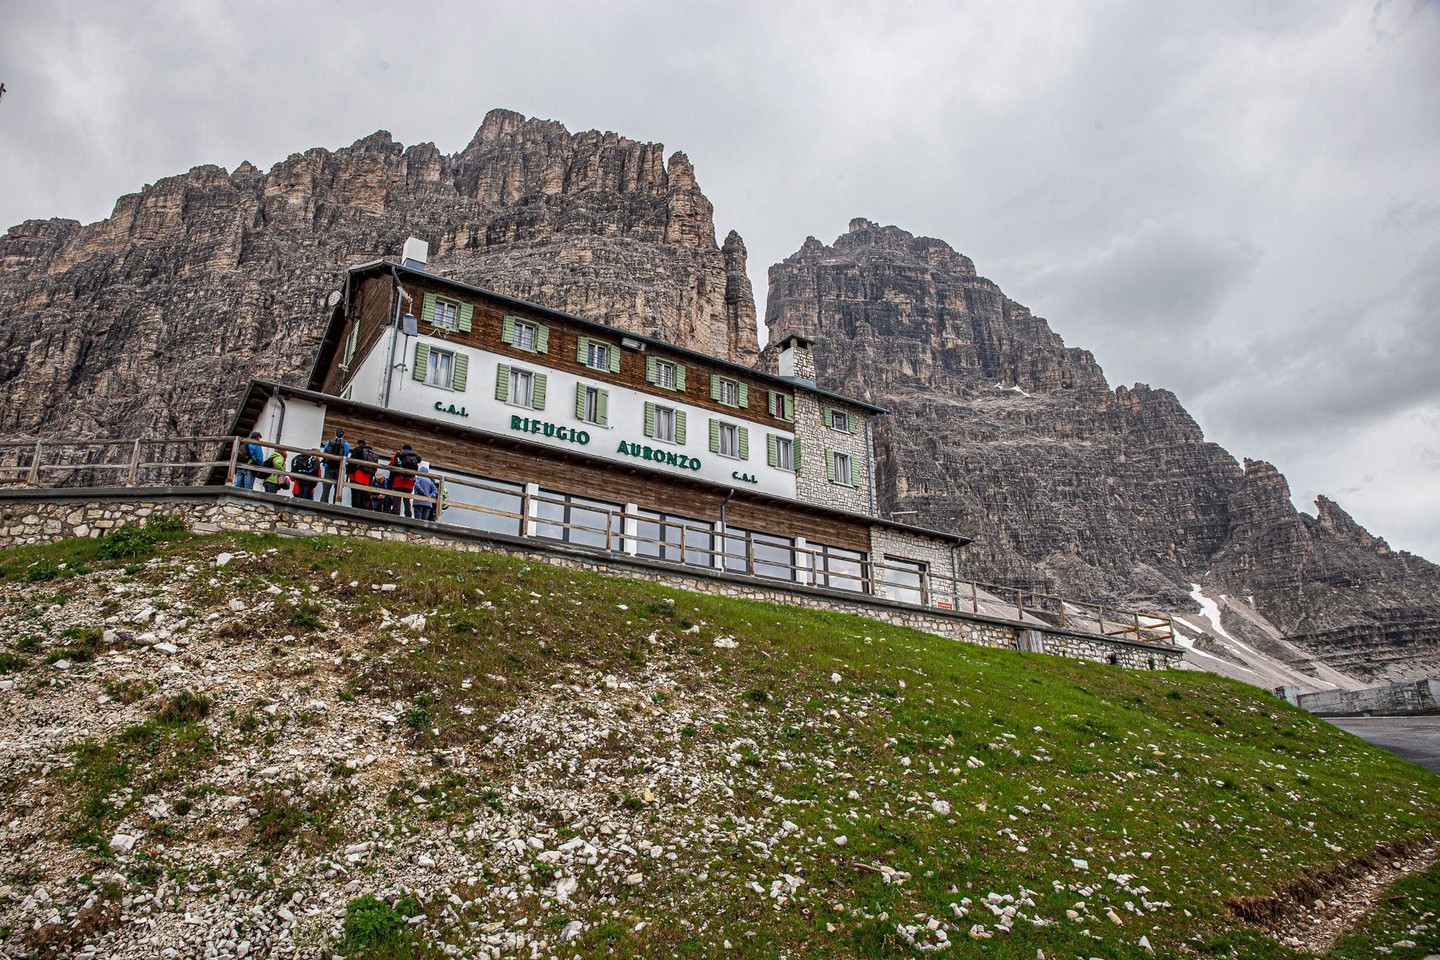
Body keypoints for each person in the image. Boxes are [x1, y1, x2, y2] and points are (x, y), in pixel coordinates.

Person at [388, 443, 422, 518]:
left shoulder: (398, 455)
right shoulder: (414, 457)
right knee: (407, 500)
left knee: (397, 499)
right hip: (409, 483)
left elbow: (390, 466)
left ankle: (395, 513)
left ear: (403, 449)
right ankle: (408, 515)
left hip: (398, 481)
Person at [320, 428, 350, 504]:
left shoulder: (329, 442)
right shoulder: (346, 444)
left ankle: (323, 503)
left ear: (335, 434)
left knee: (326, 486)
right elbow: (345, 455)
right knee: (338, 488)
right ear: (344, 435)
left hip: (329, 466)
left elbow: (325, 452)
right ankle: (336, 503)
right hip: (339, 468)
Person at [348, 439, 378, 510]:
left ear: (358, 444)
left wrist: (349, 472)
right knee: (363, 495)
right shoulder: (371, 453)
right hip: (367, 478)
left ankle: (355, 510)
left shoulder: (357, 450)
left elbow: (351, 463)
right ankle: (363, 509)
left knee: (356, 495)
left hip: (357, 476)